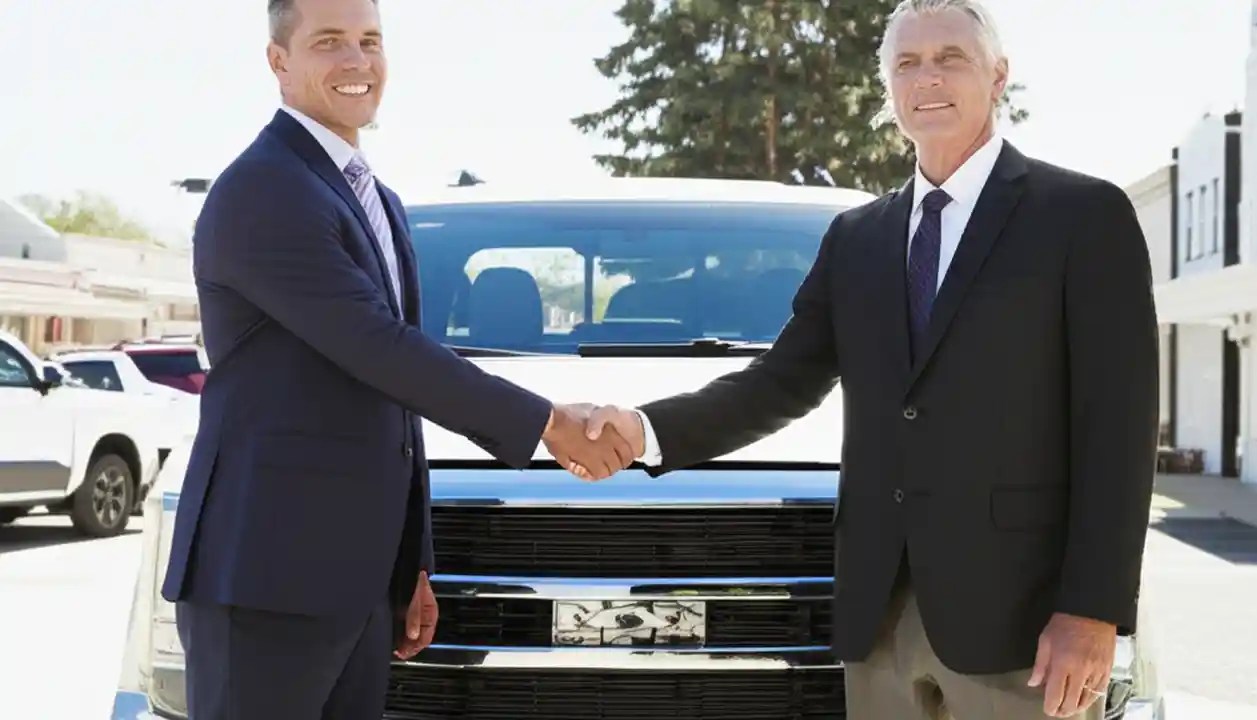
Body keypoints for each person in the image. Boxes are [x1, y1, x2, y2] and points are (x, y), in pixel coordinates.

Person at [582, 1, 1158, 718]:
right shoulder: (857, 238)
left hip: (1024, 625)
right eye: (907, 63)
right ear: (888, 85)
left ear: (998, 74)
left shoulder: (1080, 217)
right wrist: (643, 429)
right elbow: (780, 382)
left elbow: (1119, 432)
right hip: (877, 615)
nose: (928, 78)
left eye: (950, 58)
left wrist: (1093, 611)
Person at [159, 0, 633, 717]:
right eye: (329, 43)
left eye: (369, 41)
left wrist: (408, 561)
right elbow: (378, 349)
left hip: (353, 585)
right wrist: (548, 422)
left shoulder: (375, 197)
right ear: (278, 60)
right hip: (265, 577)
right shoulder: (266, 188)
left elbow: (389, 404)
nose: (357, 62)